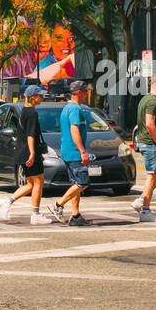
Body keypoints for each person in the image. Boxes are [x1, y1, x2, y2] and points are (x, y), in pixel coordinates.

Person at [0, 85, 52, 225]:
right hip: (29, 152)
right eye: (40, 95)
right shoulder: (32, 113)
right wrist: (32, 153)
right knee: (38, 182)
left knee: (31, 183)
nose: (42, 97)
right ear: (33, 97)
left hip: (22, 151)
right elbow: (30, 135)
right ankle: (35, 214)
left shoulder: (24, 111)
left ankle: (7, 202)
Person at [51, 88, 91, 226]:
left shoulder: (67, 108)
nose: (87, 94)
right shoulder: (75, 109)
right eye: (85, 91)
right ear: (79, 92)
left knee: (75, 184)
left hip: (67, 151)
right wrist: (82, 151)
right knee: (83, 182)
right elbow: (74, 130)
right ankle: (58, 204)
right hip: (74, 152)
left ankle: (75, 215)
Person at [131, 74, 156, 223]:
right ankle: (145, 211)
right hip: (151, 143)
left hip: (147, 142)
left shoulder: (145, 99)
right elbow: (150, 124)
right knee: (152, 176)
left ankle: (141, 200)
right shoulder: (153, 102)